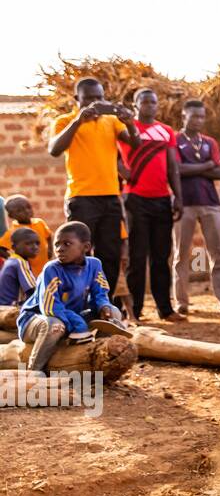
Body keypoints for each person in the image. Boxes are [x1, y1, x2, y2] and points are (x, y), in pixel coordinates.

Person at [47, 77, 139, 300]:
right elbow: (54, 149)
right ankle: (77, 301)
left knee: (110, 255)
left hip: (110, 197)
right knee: (78, 253)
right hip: (81, 198)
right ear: (77, 99)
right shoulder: (65, 120)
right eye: (89, 98)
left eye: (99, 97)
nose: (95, 103)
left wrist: (129, 122)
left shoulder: (111, 121)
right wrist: (79, 121)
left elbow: (136, 144)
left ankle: (102, 303)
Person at [17, 221, 125, 375]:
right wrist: (77, 323)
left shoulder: (94, 265)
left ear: (86, 247)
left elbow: (100, 292)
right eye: (57, 244)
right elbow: (49, 308)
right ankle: (34, 372)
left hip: (70, 317)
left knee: (113, 313)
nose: (60, 249)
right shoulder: (52, 269)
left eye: (67, 244)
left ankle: (100, 362)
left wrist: (103, 307)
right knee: (55, 325)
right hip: (37, 320)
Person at [118, 88, 183, 321]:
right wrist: (119, 168)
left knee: (161, 256)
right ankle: (133, 311)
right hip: (134, 199)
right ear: (135, 105)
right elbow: (110, 153)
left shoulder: (166, 131)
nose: (150, 106)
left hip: (162, 200)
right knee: (137, 256)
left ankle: (165, 309)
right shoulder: (125, 128)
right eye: (145, 102)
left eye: (153, 102)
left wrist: (178, 197)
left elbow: (173, 167)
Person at [172, 99, 220, 315]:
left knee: (217, 252)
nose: (199, 120)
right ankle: (181, 301)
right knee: (181, 253)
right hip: (185, 204)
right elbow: (177, 169)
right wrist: (206, 165)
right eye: (194, 116)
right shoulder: (175, 140)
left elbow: (219, 172)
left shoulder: (209, 142)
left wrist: (196, 168)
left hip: (210, 202)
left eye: (202, 116)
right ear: (184, 116)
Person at [0, 195, 53, 274]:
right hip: (29, 271)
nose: (27, 211)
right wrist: (15, 259)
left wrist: (50, 249)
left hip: (44, 265)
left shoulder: (40, 223)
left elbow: (48, 236)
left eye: (28, 207)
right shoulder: (13, 231)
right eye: (19, 211)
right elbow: (1, 248)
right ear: (11, 215)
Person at [0, 227, 42, 306]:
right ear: (13, 247)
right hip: (10, 307)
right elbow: (33, 290)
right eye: (28, 243)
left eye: (37, 243)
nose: (35, 247)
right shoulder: (20, 263)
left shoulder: (10, 260)